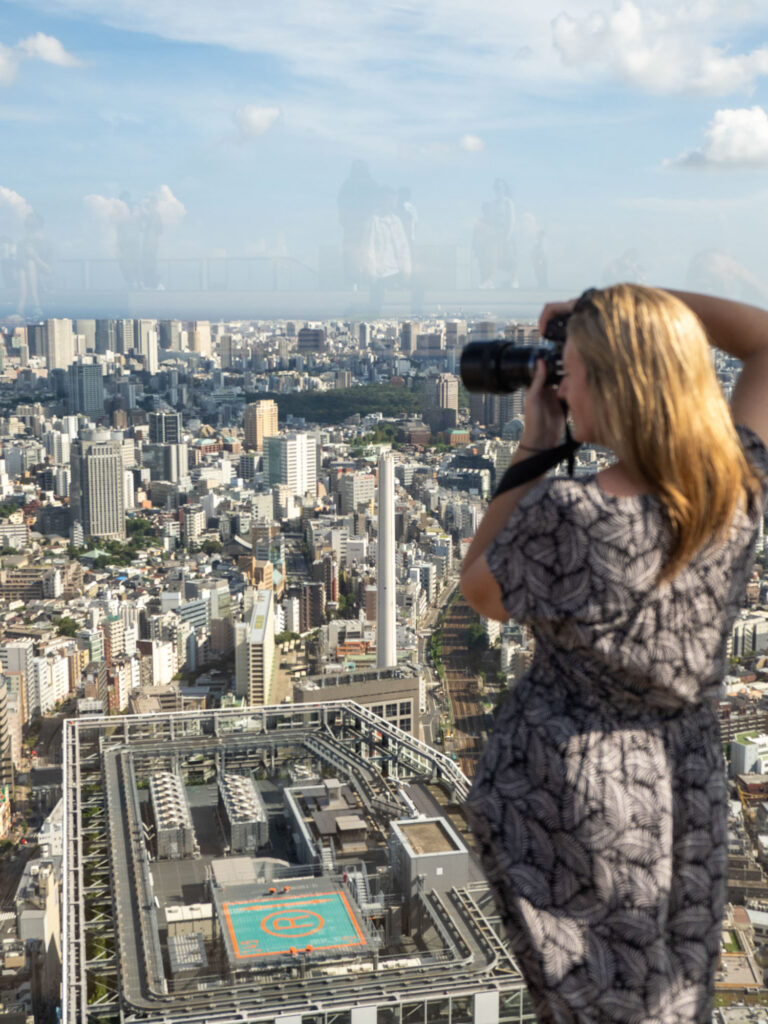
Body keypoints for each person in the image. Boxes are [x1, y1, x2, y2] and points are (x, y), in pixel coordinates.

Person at [460, 284, 768, 1024]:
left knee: (593, 997)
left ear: (619, 382)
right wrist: (631, 303)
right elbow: (765, 340)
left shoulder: (572, 514)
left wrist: (537, 445)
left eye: (572, 367)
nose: (558, 379)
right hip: (680, 785)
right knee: (665, 983)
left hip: (576, 806)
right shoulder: (735, 483)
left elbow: (479, 587)